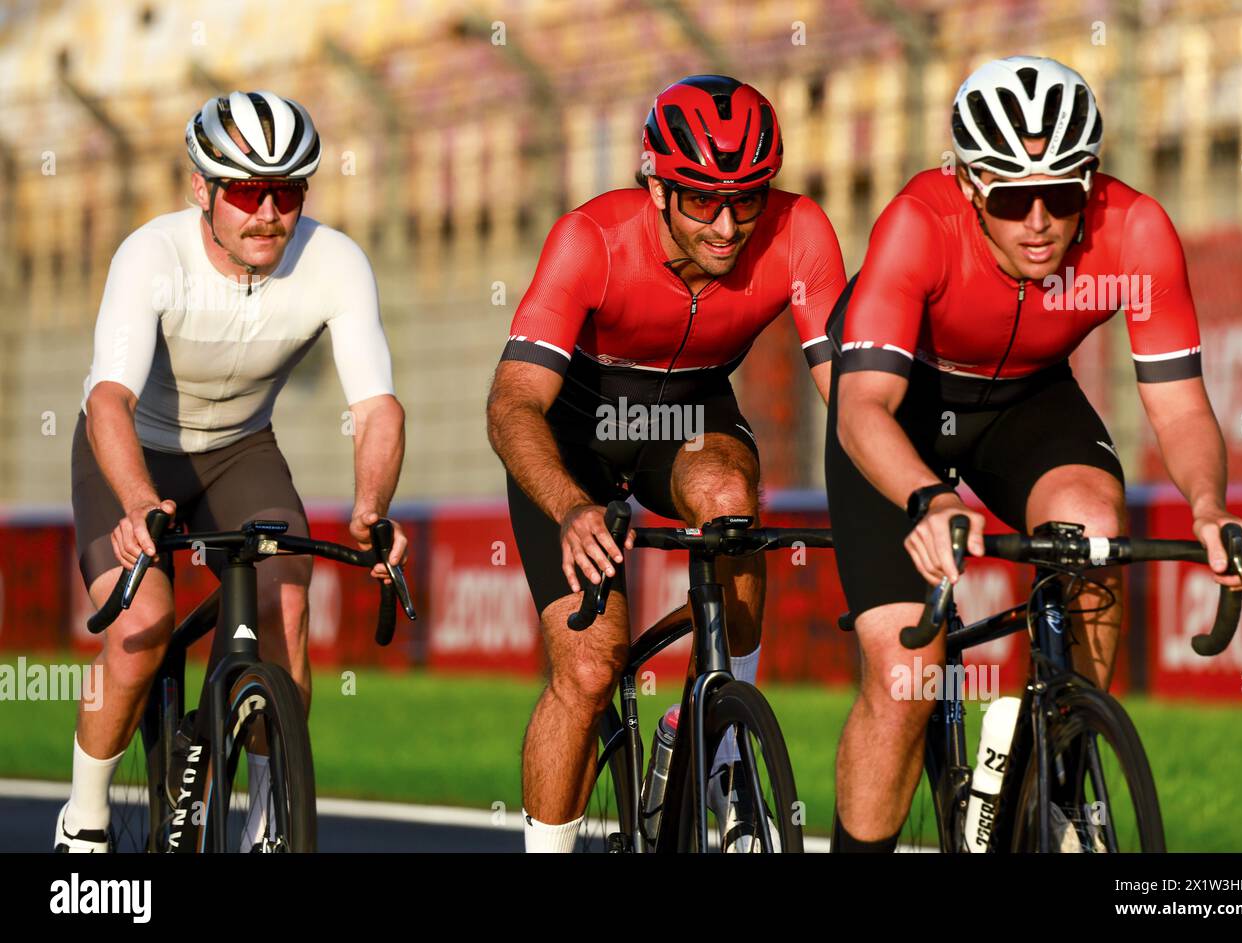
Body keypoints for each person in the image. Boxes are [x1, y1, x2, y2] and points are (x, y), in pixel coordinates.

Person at [825, 56, 1242, 852]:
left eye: (1061, 195)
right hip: (904, 406)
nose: (1038, 221)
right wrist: (929, 499)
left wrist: (1208, 505)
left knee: (1094, 532)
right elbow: (861, 408)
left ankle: (1048, 778)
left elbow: (1179, 405)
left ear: (1090, 183)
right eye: (1010, 196)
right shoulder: (916, 224)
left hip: (1028, 397)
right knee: (903, 675)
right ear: (967, 186)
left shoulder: (1135, 231)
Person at [486, 74, 847, 852]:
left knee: (730, 503)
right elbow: (512, 403)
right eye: (701, 200)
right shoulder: (592, 240)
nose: (727, 226)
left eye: (748, 199)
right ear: (655, 184)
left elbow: (856, 397)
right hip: (575, 434)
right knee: (589, 667)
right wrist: (570, 506)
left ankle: (710, 729)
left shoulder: (800, 234)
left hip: (688, 415)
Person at [58, 91, 408, 851]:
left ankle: (265, 824)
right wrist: (139, 501)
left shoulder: (335, 261)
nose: (269, 214)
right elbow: (108, 400)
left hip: (240, 448)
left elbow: (378, 407)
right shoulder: (151, 254)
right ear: (201, 189)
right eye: (248, 192)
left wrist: (372, 507)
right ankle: (83, 819)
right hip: (131, 448)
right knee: (143, 625)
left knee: (285, 607)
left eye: (288, 192)